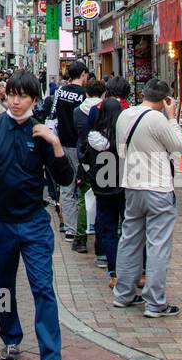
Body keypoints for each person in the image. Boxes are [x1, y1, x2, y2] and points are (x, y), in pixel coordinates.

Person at [0, 69, 75, 360]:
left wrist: (55, 146)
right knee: (2, 286)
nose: (15, 101)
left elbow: (66, 179)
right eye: (12, 94)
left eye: (23, 96)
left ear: (34, 99)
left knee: (43, 288)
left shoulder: (41, 133)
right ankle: (11, 335)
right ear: (5, 94)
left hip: (34, 223)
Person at [112, 79, 182, 318]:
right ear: (165, 100)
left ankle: (123, 294)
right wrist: (172, 118)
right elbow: (178, 147)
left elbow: (120, 150)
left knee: (129, 239)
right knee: (158, 244)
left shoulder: (125, 116)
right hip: (158, 188)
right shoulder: (158, 118)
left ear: (143, 93)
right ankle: (155, 303)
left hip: (132, 185)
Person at [88, 76, 130, 289]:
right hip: (125, 186)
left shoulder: (94, 138)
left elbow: (86, 159)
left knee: (108, 229)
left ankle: (113, 272)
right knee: (130, 228)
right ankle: (136, 272)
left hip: (103, 189)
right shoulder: (126, 137)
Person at [49, 61, 89, 241]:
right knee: (83, 187)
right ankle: (84, 226)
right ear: (82, 74)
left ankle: (70, 228)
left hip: (62, 144)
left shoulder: (60, 92)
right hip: (80, 146)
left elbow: (53, 115)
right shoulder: (84, 95)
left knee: (66, 186)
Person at [70, 79, 106, 254]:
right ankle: (102, 238)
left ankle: (81, 238)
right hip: (105, 160)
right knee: (104, 201)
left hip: (84, 158)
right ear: (104, 93)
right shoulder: (107, 110)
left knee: (84, 198)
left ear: (86, 93)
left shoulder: (77, 112)